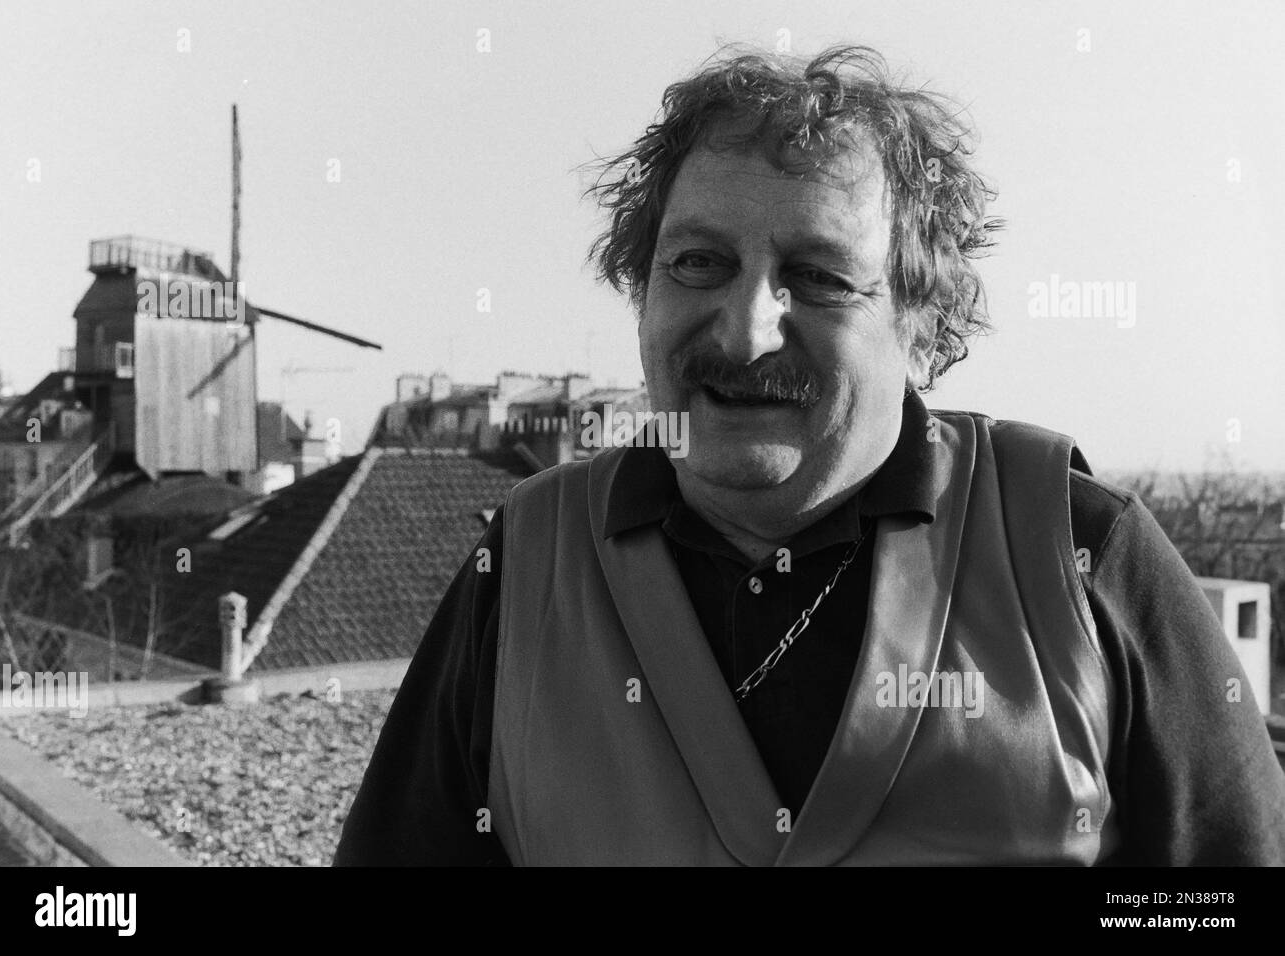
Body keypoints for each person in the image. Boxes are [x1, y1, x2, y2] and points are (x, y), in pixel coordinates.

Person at [335, 44, 1285, 866]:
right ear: (641, 290)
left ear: (924, 325)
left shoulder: (1081, 552)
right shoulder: (523, 569)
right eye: (697, 262)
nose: (746, 331)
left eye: (818, 276)